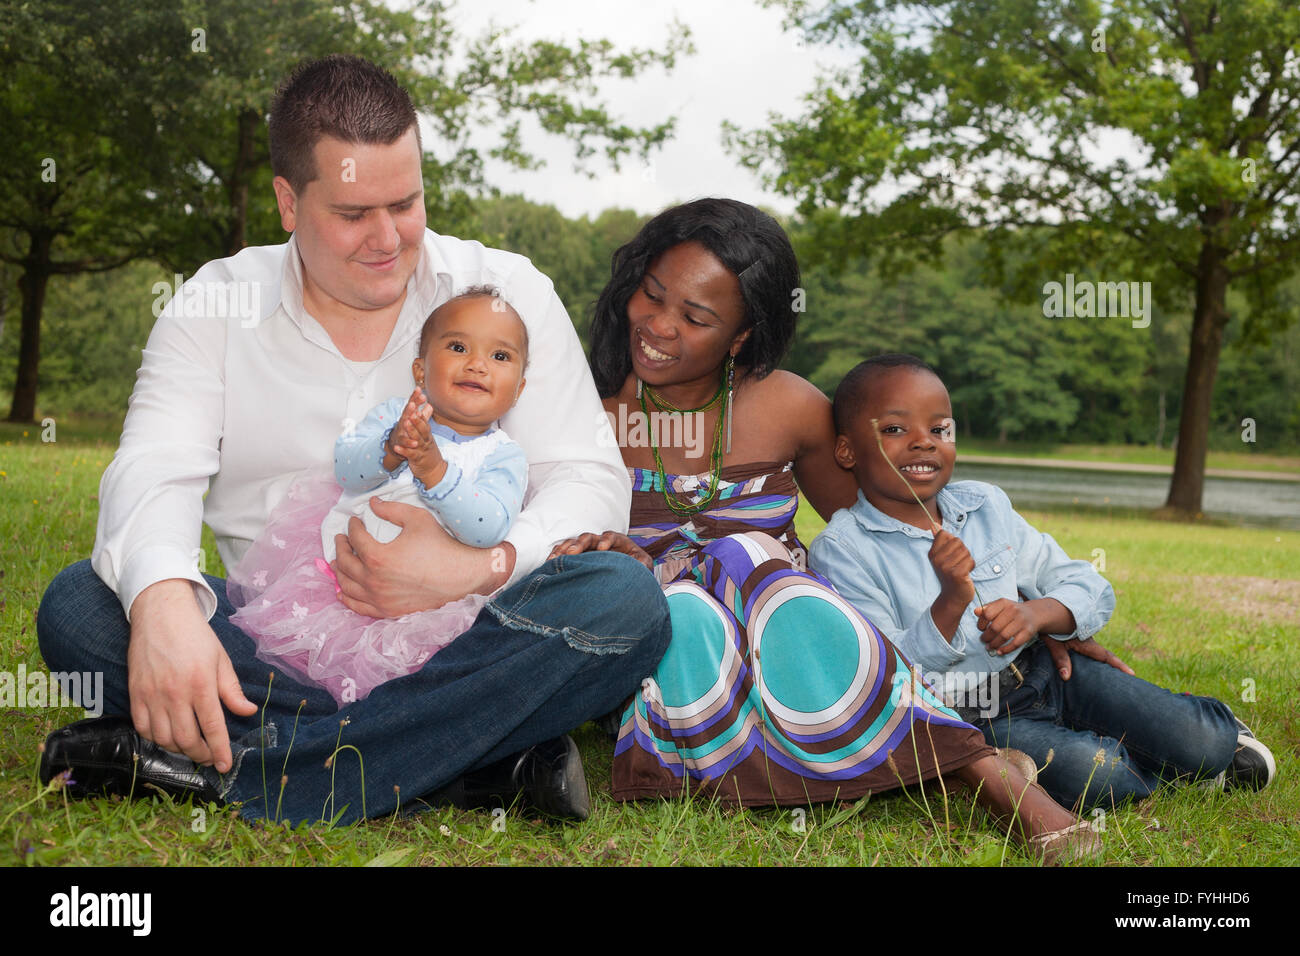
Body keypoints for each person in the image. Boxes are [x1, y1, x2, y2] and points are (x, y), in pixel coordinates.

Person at [36, 54, 670, 825]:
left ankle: (242, 769)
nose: (387, 239)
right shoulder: (215, 302)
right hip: (275, 641)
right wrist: (166, 608)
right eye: (352, 213)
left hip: (466, 636)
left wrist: (476, 567)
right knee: (82, 608)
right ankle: (466, 768)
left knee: (626, 603)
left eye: (406, 204)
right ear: (286, 202)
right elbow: (152, 468)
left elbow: (586, 475)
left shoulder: (505, 295)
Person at [551, 199, 1098, 860]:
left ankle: (983, 774)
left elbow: (886, 533)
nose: (658, 327)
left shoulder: (792, 405)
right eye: (652, 295)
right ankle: (959, 766)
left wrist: (1045, 613)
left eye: (695, 317)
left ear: (742, 335)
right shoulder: (580, 405)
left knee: (748, 555)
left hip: (789, 639)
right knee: (696, 589)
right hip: (664, 645)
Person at [808, 353, 1276, 811]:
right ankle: (1148, 767)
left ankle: (1206, 735)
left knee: (1199, 739)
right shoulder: (843, 550)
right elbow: (887, 679)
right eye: (895, 429)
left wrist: (1036, 615)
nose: (924, 442)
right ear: (847, 450)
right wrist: (950, 600)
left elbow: (1085, 583)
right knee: (1104, 774)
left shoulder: (985, 506)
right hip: (978, 719)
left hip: (1050, 673)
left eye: (939, 429)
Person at [228, 289, 529, 705]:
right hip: (338, 581)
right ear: (420, 371)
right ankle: (297, 711)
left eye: (500, 356)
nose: (477, 364)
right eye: (458, 347)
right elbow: (346, 470)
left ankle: (384, 727)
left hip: (429, 607)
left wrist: (434, 470)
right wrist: (390, 449)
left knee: (417, 684)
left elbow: (488, 527)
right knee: (298, 662)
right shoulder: (395, 416)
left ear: (518, 389)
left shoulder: (503, 456)